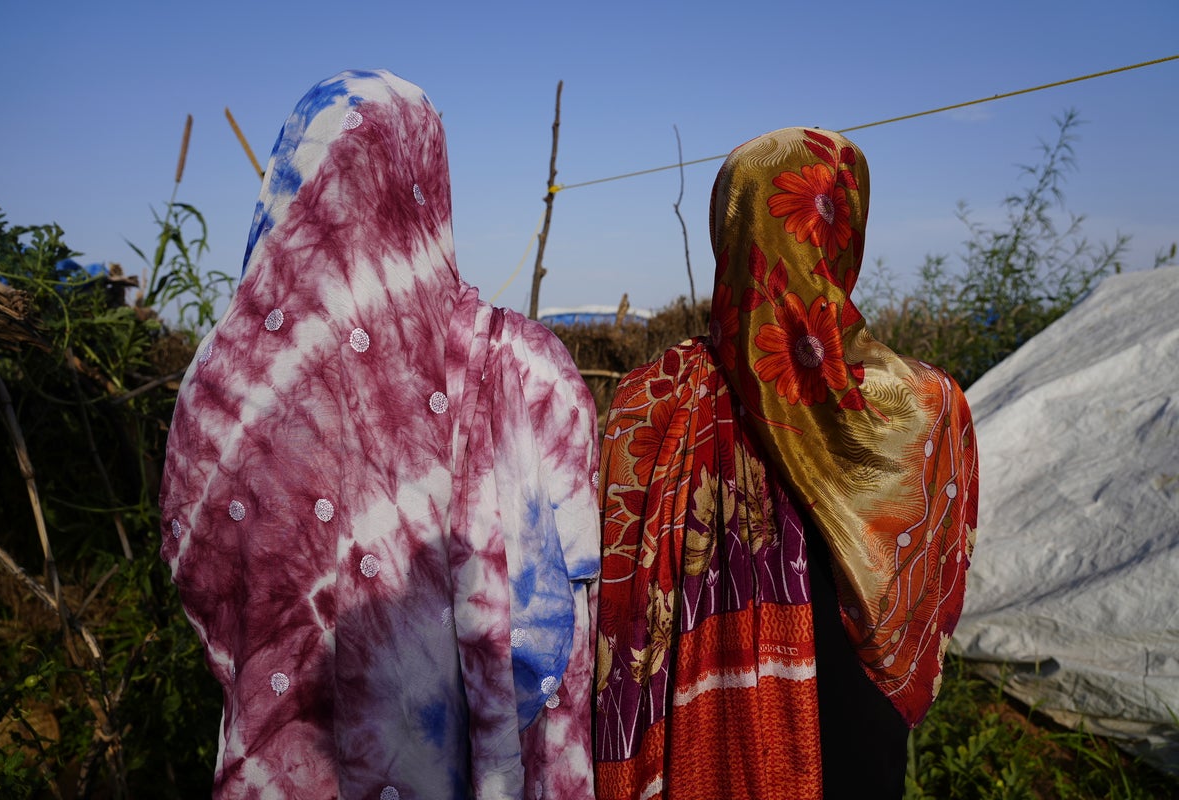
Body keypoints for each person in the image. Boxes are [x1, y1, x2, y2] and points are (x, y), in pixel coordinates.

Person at [159, 70, 600, 800]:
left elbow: (202, 579)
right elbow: (567, 617)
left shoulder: (218, 384)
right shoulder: (526, 369)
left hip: (278, 772)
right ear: (428, 175)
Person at [593, 127, 978, 799]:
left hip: (694, 742)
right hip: (858, 727)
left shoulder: (652, 398)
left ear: (727, 228)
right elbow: (933, 585)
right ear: (844, 226)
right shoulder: (925, 405)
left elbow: (615, 608)